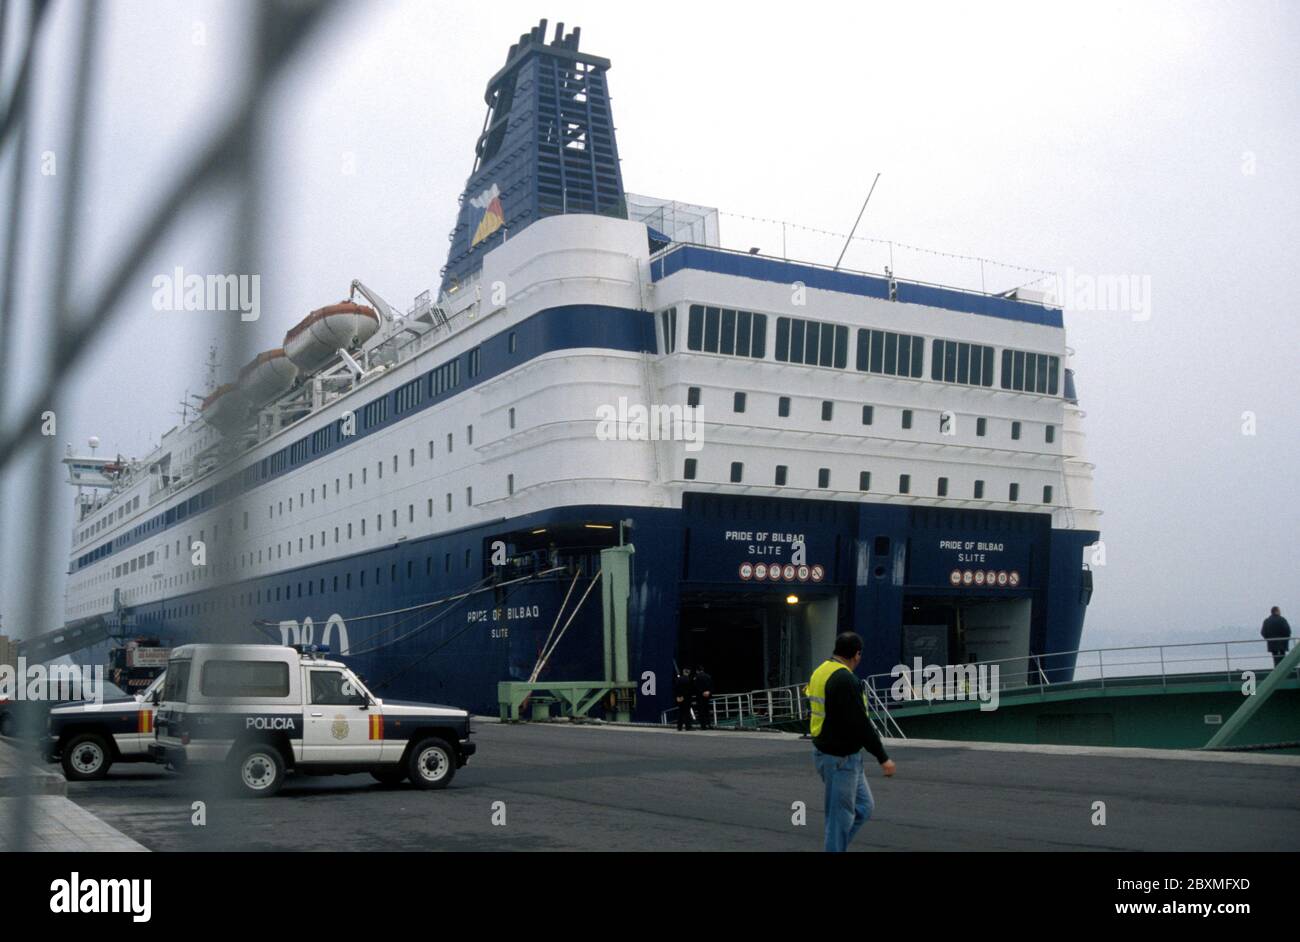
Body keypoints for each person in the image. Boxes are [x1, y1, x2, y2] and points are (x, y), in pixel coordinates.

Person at [806, 631, 896, 852]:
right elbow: (861, 724)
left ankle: (837, 847)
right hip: (839, 758)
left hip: (838, 755)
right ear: (857, 654)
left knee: (864, 807)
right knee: (839, 820)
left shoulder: (820, 671)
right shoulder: (846, 680)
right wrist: (883, 758)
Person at [673, 666, 695, 731]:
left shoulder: (678, 679)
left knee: (680, 713)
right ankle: (688, 727)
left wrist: (678, 696)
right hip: (687, 698)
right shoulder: (689, 680)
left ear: (683, 672)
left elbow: (675, 689)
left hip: (680, 698)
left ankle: (679, 727)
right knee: (687, 713)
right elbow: (691, 690)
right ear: (689, 672)